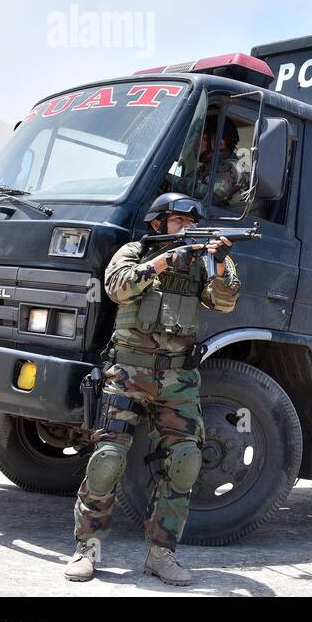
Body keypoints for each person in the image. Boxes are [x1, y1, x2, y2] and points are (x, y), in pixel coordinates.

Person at [64, 193, 239, 585]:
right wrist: (163, 261)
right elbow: (117, 288)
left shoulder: (205, 262)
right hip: (128, 372)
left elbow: (225, 303)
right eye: (179, 221)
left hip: (179, 379)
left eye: (191, 223)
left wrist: (221, 261)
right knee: (108, 458)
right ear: (159, 223)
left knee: (186, 461)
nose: (187, 229)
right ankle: (86, 547)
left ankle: (161, 553)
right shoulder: (135, 251)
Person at [180, 114, 250, 209]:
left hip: (234, 222)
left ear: (220, 144)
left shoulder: (232, 168)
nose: (195, 143)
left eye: (202, 139)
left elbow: (210, 195)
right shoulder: (207, 168)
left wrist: (167, 179)